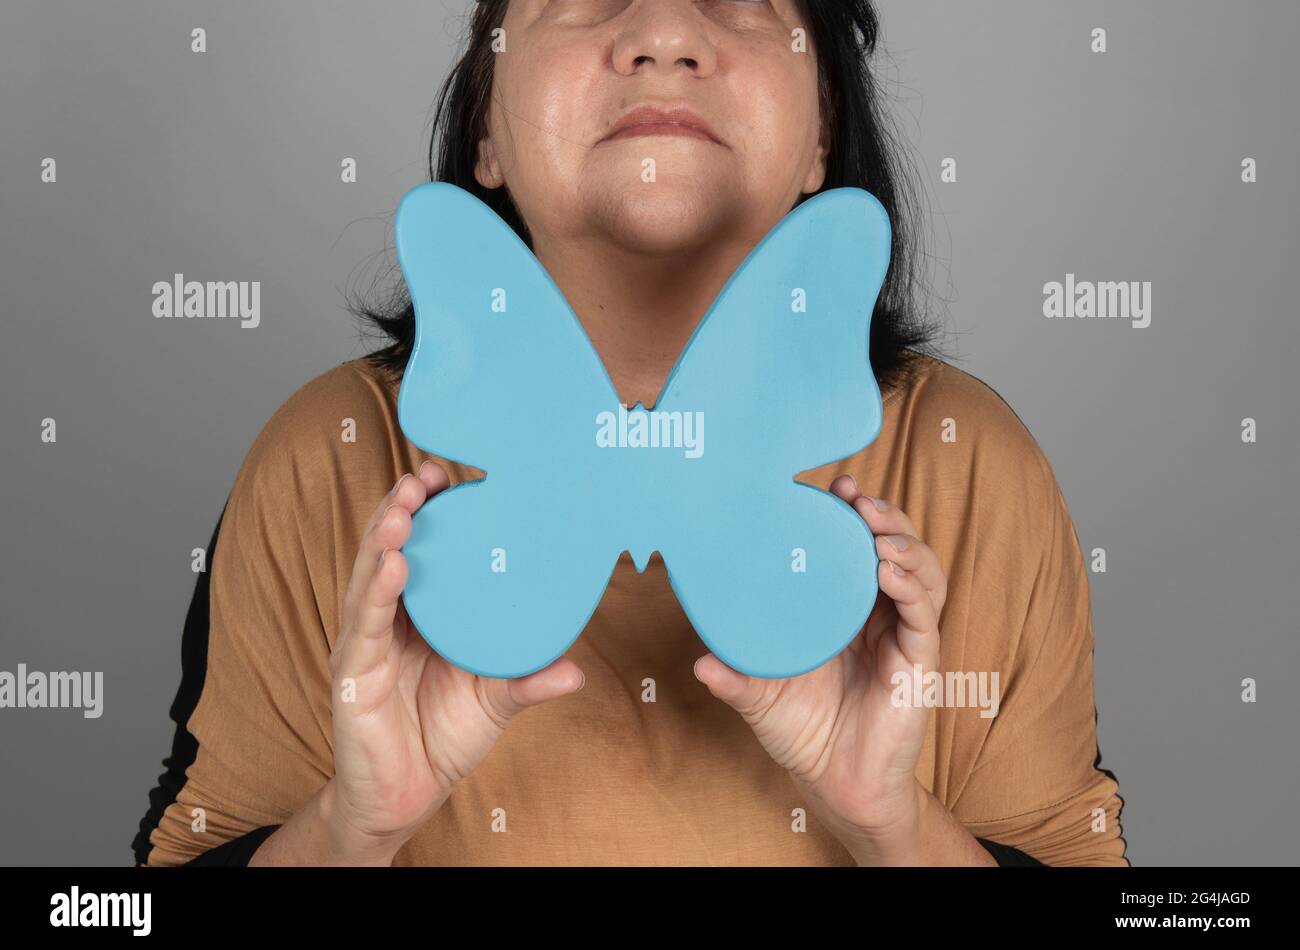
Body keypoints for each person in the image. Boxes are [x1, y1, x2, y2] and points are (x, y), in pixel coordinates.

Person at [133, 0, 1128, 866]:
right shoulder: (333, 454)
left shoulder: (971, 460)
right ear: (485, 126)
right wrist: (352, 830)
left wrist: (893, 826)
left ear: (824, 127)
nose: (660, 35)